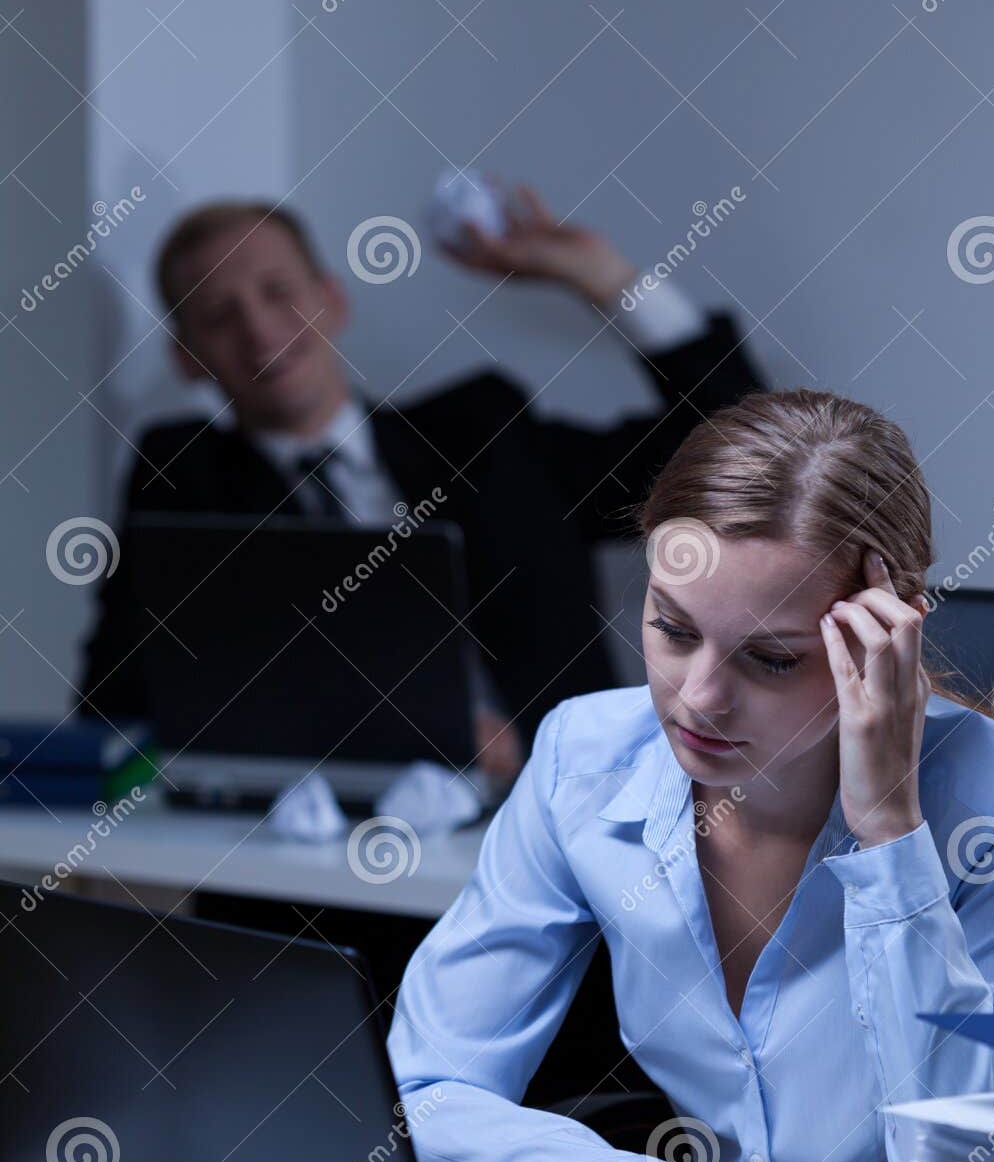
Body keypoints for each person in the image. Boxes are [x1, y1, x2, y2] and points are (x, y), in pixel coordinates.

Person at [387, 388, 994, 1162]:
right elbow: (426, 1095)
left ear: (881, 632)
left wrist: (891, 835)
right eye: (672, 628)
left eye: (769, 657)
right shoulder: (581, 759)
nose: (697, 699)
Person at [77, 189, 763, 772]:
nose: (259, 330)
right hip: (305, 874)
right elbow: (115, 700)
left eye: (278, 292)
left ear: (331, 301)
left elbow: (742, 459)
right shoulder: (182, 482)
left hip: (560, 839)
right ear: (186, 358)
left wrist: (602, 276)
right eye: (218, 317)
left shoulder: (484, 435)